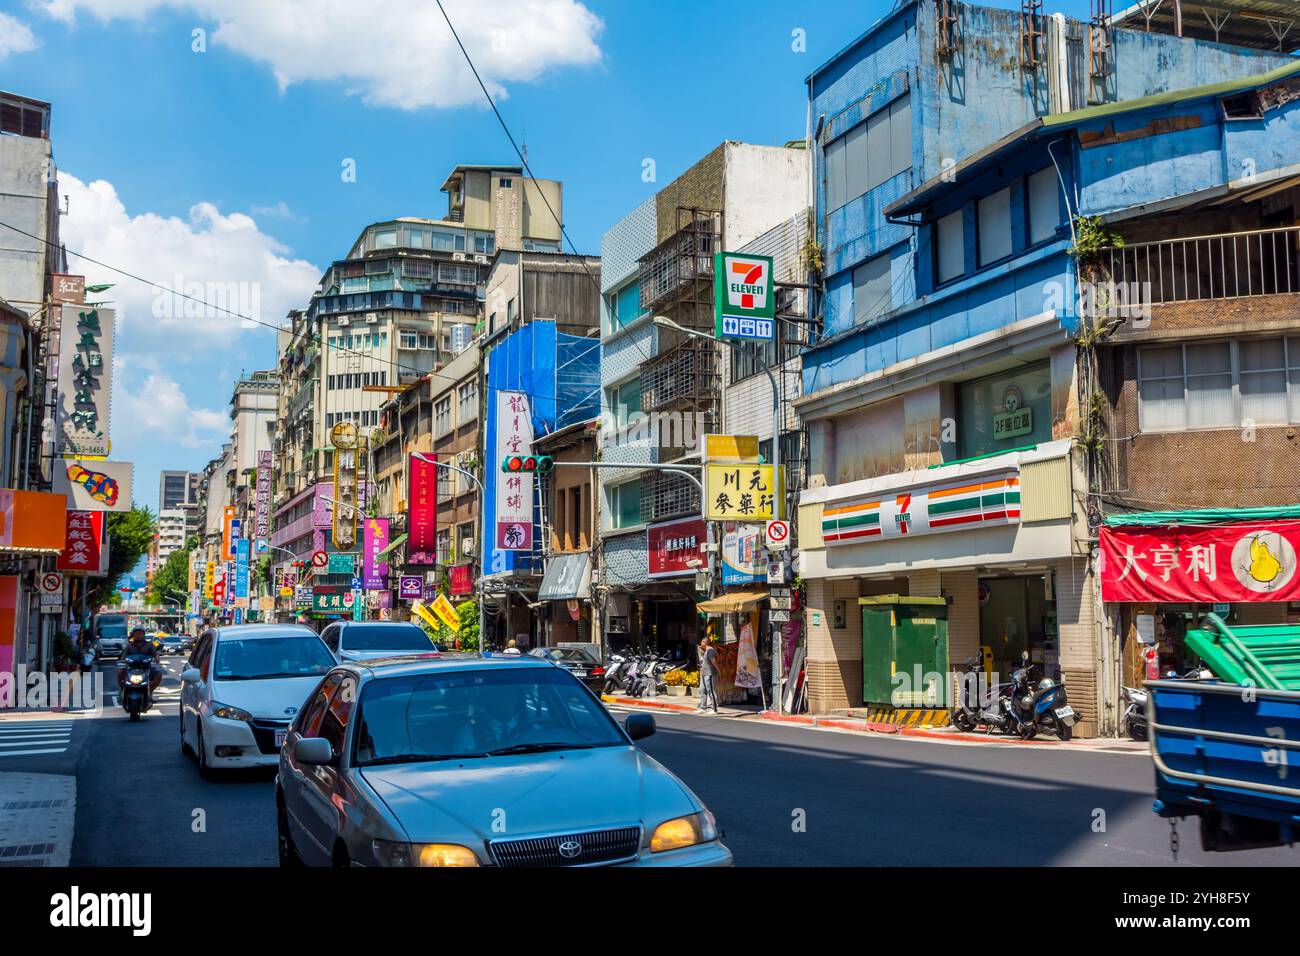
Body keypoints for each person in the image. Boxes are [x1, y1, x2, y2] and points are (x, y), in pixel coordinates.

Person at [120, 627, 163, 692]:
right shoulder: (129, 646)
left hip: (146, 668)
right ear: (133, 635)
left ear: (143, 635)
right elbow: (123, 656)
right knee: (120, 672)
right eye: (136, 634)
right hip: (131, 669)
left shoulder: (149, 645)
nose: (138, 635)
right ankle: (122, 690)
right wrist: (122, 660)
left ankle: (150, 692)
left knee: (158, 675)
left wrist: (157, 658)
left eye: (140, 634)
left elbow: (155, 653)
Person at [696, 638, 719, 714]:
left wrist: (719, 671)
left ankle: (714, 709)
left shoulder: (710, 650)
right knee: (702, 690)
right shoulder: (706, 651)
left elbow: (714, 662)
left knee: (711, 691)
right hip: (704, 673)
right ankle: (703, 707)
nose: (701, 643)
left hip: (710, 674)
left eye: (702, 642)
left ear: (705, 643)